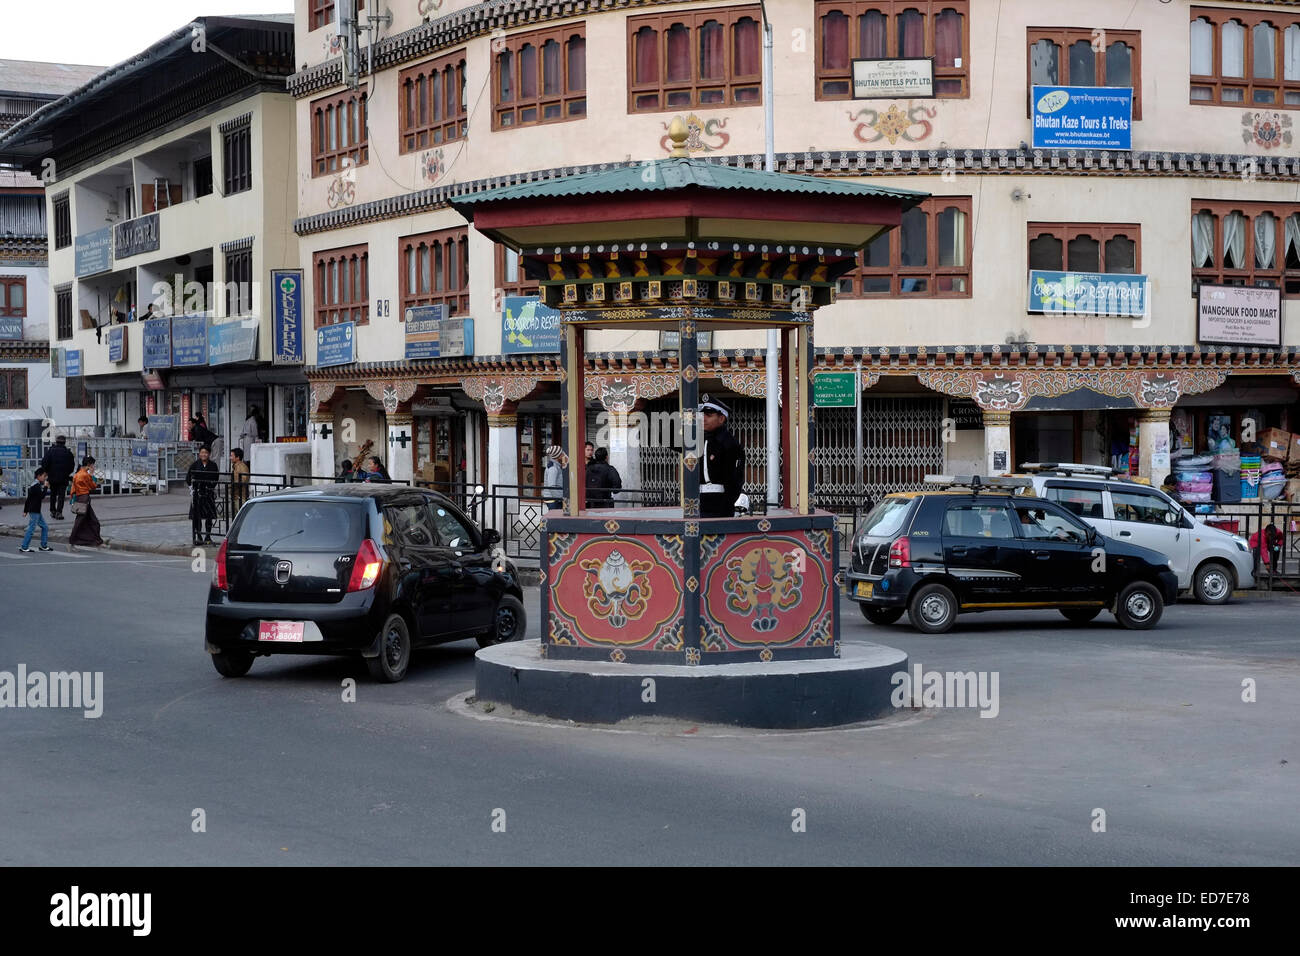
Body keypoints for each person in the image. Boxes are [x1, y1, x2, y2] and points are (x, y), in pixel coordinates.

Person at [699, 396, 745, 519]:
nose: (703, 419)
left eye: (708, 415)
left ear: (721, 418)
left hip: (719, 507)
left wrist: (726, 508)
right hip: (699, 504)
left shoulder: (729, 444)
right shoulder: (701, 440)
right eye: (702, 415)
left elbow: (734, 481)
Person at [68, 457, 105, 550]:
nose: (93, 466)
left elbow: (73, 489)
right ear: (89, 464)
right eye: (92, 464)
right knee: (82, 521)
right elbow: (93, 486)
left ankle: (97, 542)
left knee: (91, 521)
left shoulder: (77, 474)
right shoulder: (85, 475)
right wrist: (92, 474)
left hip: (80, 498)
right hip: (84, 499)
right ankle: (72, 542)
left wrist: (72, 498)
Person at [187, 446, 220, 545]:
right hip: (198, 493)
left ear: (209, 454)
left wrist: (210, 486)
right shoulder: (195, 465)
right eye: (202, 452)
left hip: (208, 493)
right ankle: (199, 535)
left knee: (209, 516)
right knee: (197, 516)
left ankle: (208, 536)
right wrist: (192, 488)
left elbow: (215, 478)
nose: (203, 454)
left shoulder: (213, 465)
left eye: (206, 452)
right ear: (199, 454)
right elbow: (188, 477)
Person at [40, 435, 76, 520]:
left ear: (56, 442)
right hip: (63, 478)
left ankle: (53, 511)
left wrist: (48, 472)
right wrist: (66, 473)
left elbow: (44, 463)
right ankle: (59, 512)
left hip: (52, 477)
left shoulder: (50, 451)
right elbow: (72, 466)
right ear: (64, 442)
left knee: (53, 494)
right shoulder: (68, 452)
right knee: (61, 496)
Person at [19, 468, 54, 553]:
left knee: (45, 527)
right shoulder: (36, 486)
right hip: (34, 511)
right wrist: (46, 487)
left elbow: (28, 499)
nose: (45, 478)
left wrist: (25, 511)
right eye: (44, 476)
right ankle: (24, 547)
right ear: (39, 476)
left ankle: (44, 546)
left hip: (36, 510)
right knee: (31, 529)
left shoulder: (34, 484)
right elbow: (41, 496)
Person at [543, 445, 566, 510]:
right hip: (553, 500)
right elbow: (551, 486)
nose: (563, 454)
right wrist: (559, 498)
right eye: (562, 453)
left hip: (554, 498)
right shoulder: (553, 468)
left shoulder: (556, 466)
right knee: (555, 518)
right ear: (558, 456)